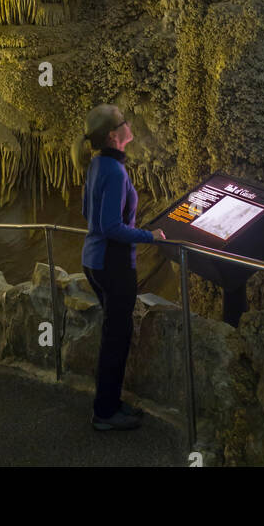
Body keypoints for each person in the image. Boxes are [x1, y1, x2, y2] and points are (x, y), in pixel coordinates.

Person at [72, 104, 166, 431]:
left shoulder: (97, 163)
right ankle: (105, 413)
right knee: (117, 338)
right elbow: (111, 226)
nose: (130, 125)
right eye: (124, 122)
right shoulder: (114, 171)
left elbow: (89, 212)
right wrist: (149, 236)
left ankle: (109, 402)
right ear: (114, 135)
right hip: (113, 264)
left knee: (114, 333)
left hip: (93, 260)